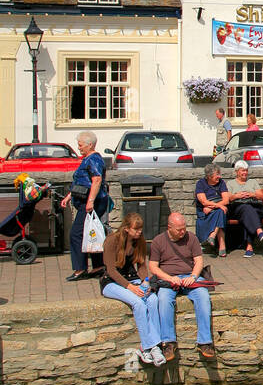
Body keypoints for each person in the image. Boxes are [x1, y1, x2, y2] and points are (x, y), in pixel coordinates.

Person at [149, 211, 215, 360]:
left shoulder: (191, 238)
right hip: (168, 279)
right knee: (164, 300)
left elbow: (198, 261)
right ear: (169, 227)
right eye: (179, 229)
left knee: (203, 296)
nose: (182, 232)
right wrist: (170, 278)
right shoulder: (158, 241)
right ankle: (168, 342)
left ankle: (205, 342)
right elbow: (153, 267)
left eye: (184, 228)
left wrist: (193, 276)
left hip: (189, 277)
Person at [101, 212, 165, 366]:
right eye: (136, 229)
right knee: (138, 303)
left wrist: (145, 282)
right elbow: (111, 270)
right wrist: (130, 287)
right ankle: (146, 346)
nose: (139, 232)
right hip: (111, 282)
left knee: (153, 299)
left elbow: (142, 265)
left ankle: (155, 346)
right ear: (127, 229)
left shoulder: (139, 241)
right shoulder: (111, 241)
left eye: (140, 229)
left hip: (132, 278)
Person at [61, 130, 108, 282]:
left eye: (81, 145)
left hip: (91, 203)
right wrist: (69, 196)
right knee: (91, 232)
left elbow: (96, 180)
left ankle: (80, 269)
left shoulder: (94, 159)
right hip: (85, 200)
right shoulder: (87, 159)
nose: (79, 147)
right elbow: (81, 182)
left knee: (76, 234)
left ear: (90, 144)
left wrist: (90, 201)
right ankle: (98, 266)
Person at [228, 162, 263, 257]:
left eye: (246, 170)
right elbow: (228, 198)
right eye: (243, 170)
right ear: (237, 172)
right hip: (237, 208)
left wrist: (252, 195)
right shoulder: (230, 183)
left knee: (249, 212)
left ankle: (249, 247)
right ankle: (259, 232)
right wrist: (236, 196)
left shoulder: (252, 182)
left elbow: (261, 196)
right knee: (247, 209)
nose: (245, 173)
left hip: (251, 206)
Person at [194, 164, 229, 256]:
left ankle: (212, 236)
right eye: (217, 174)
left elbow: (226, 200)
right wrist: (218, 205)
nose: (219, 176)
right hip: (204, 211)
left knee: (220, 212)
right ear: (209, 176)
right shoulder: (201, 184)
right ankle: (222, 246)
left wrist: (212, 207)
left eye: (219, 174)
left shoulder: (221, 182)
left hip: (212, 208)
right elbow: (204, 202)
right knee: (221, 212)